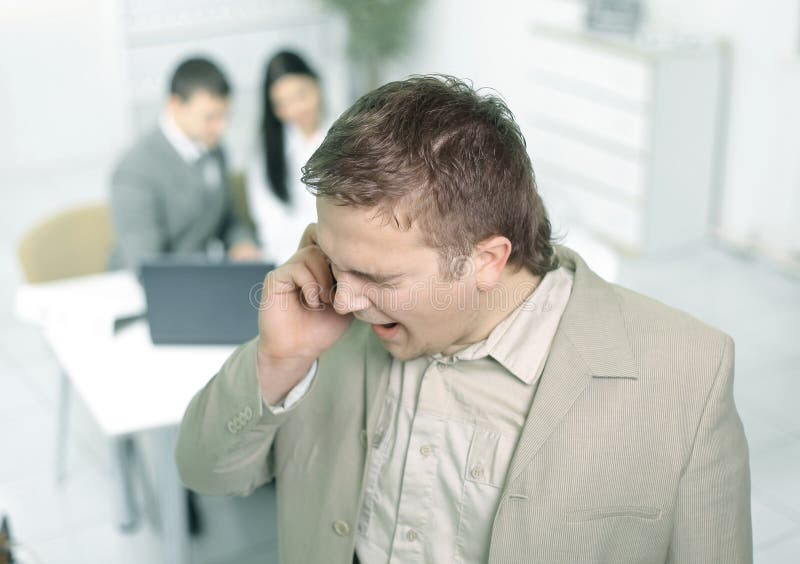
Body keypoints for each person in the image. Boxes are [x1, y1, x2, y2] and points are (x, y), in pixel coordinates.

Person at [175, 76, 752, 563]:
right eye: (331, 257)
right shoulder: (323, 327)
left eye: (376, 278)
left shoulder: (686, 374)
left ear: (487, 260)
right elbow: (205, 471)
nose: (343, 300)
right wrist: (280, 360)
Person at [109, 56, 260, 270]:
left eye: (225, 116)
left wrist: (242, 243)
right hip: (150, 284)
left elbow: (225, 218)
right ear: (175, 105)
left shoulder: (213, 149)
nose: (221, 128)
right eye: (210, 118)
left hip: (199, 275)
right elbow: (145, 262)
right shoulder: (135, 169)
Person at [245, 50, 330, 264]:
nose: (297, 109)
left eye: (302, 95)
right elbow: (271, 229)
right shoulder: (264, 153)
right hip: (290, 260)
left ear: (317, 85)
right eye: (283, 103)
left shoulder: (349, 133)